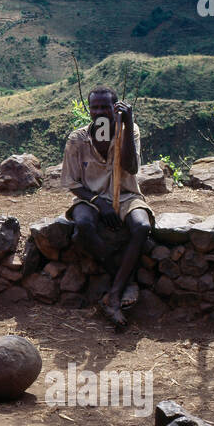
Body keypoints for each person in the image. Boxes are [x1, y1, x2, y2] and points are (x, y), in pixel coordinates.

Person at [61, 86, 154, 326]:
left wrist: (127, 122)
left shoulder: (129, 131)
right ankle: (123, 282)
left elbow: (132, 168)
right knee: (83, 225)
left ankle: (112, 294)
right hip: (89, 198)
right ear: (89, 110)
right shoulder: (78, 139)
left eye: (105, 107)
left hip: (126, 195)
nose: (100, 112)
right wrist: (99, 203)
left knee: (142, 227)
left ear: (115, 109)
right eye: (95, 107)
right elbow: (72, 183)